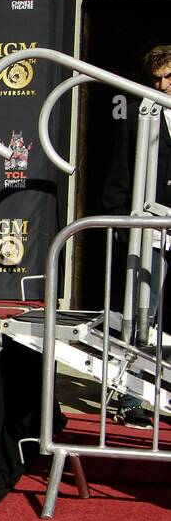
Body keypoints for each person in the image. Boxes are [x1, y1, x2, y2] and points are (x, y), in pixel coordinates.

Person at [102, 43, 171, 428]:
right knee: (141, 319)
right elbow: (118, 178)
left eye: (169, 78)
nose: (162, 86)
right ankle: (130, 398)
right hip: (150, 236)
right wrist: (121, 229)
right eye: (157, 79)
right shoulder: (135, 117)